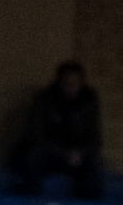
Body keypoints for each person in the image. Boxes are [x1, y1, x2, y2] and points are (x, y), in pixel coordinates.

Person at [8, 61, 103, 200]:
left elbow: (95, 137)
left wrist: (80, 153)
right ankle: (30, 197)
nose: (71, 87)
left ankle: (88, 200)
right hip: (50, 154)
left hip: (77, 157)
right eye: (67, 82)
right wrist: (63, 154)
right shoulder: (45, 98)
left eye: (75, 82)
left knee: (95, 164)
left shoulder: (89, 101)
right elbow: (35, 134)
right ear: (59, 82)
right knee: (32, 156)